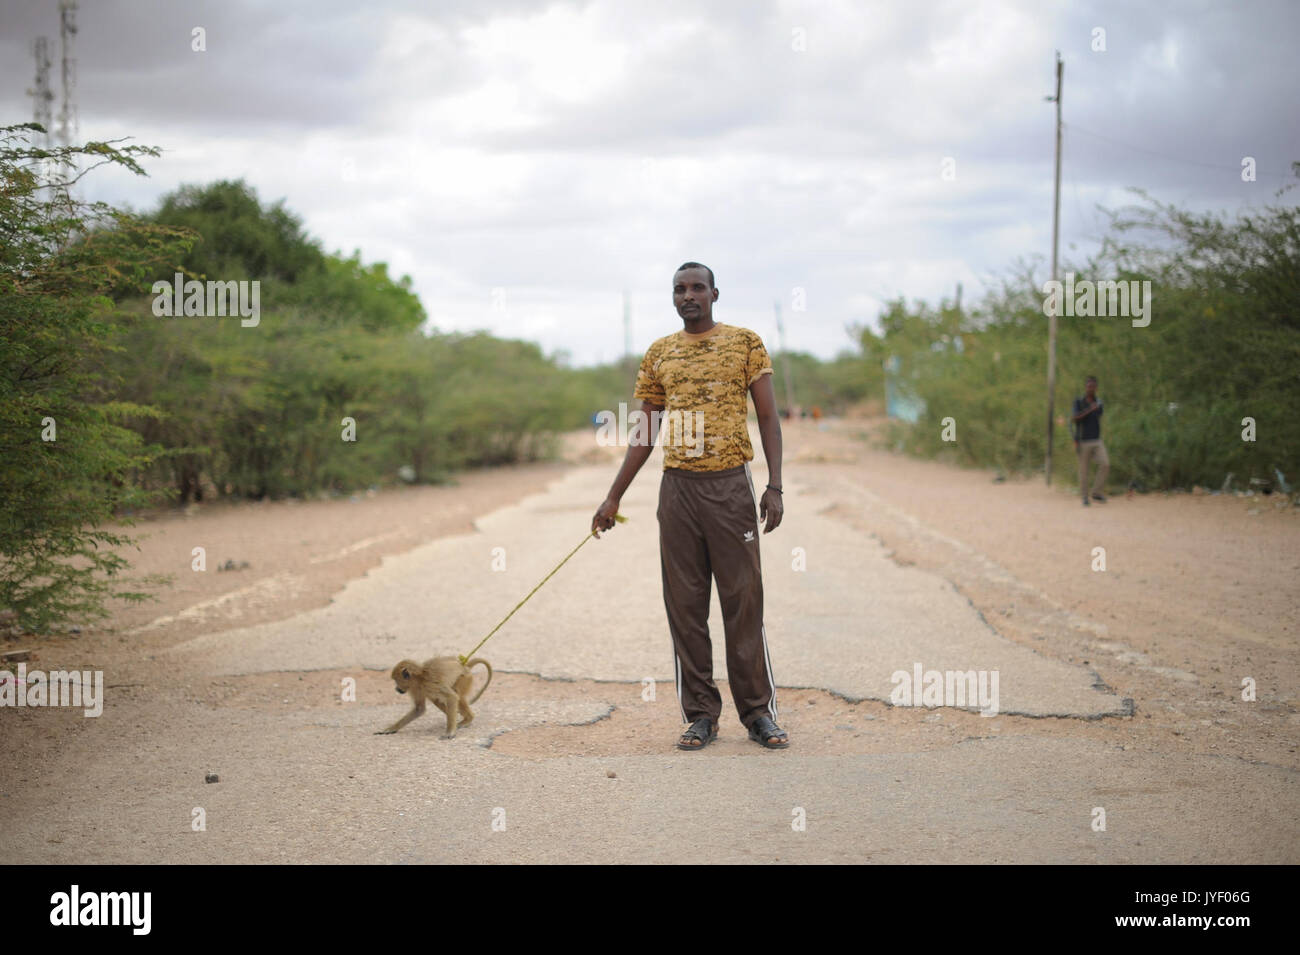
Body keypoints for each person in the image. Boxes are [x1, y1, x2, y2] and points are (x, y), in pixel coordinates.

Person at [591, 262, 788, 750]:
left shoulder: (745, 343)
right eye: (679, 289)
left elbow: (767, 415)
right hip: (677, 492)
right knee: (685, 605)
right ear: (673, 298)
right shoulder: (659, 353)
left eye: (697, 287)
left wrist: (775, 485)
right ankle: (700, 715)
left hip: (730, 488)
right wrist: (613, 496)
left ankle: (758, 714)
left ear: (715, 293)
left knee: (743, 602)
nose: (688, 295)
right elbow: (644, 432)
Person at [1071, 375, 1108, 506]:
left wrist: (1095, 407)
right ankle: (1084, 497)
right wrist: (1089, 409)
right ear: (1085, 387)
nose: (1090, 388)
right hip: (1083, 440)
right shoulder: (1079, 402)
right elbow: (1075, 418)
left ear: (1096, 388)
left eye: (1092, 386)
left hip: (1096, 439)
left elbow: (1099, 415)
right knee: (1084, 471)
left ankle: (1096, 492)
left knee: (1105, 463)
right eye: (1088, 386)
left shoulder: (1099, 402)